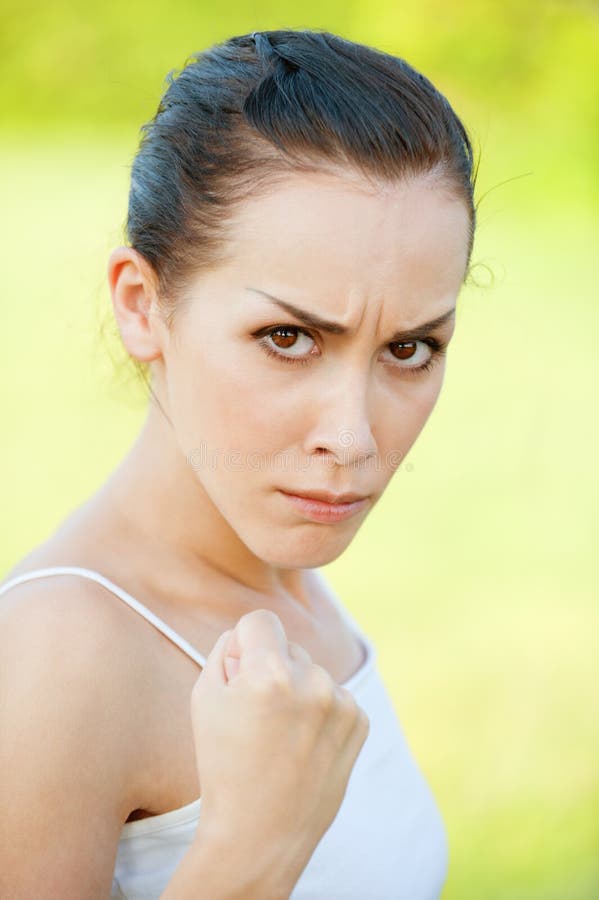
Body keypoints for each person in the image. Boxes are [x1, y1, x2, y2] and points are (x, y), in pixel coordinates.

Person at [0, 27, 477, 900]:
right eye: (287, 338)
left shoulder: (286, 572)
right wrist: (251, 850)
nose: (355, 436)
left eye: (409, 349)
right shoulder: (54, 663)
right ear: (144, 307)